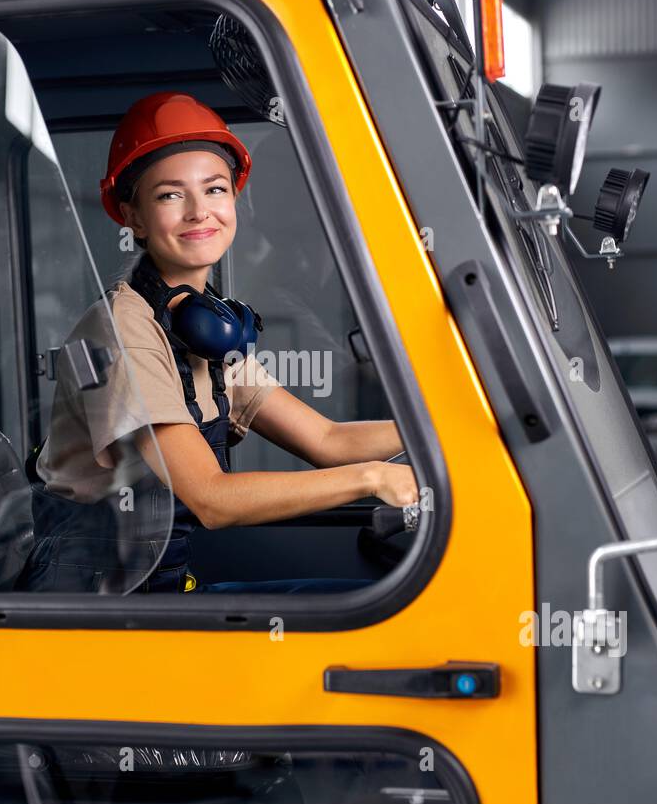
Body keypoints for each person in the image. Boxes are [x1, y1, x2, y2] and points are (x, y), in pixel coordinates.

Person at [21, 91, 417, 594]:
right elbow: (212, 499)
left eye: (214, 190)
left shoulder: (202, 322)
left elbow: (326, 441)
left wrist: (433, 429)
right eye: (169, 194)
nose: (198, 211)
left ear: (234, 200)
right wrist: (372, 479)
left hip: (154, 584)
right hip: (95, 612)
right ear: (134, 216)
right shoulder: (127, 330)